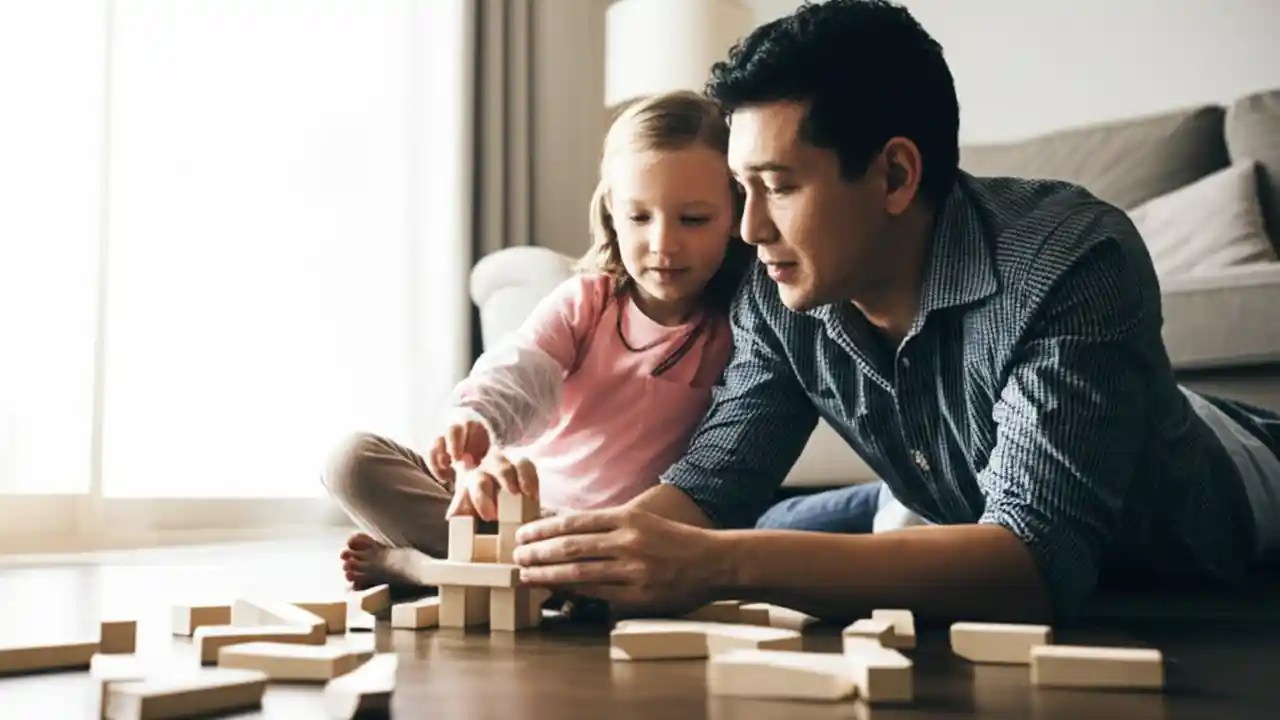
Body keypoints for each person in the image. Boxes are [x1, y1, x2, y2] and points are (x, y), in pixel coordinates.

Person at [510, 0, 1280, 623]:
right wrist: (598, 555)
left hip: (1214, 518)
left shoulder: (1070, 259)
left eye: (777, 185)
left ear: (896, 175)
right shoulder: (782, 291)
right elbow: (713, 484)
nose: (749, 230)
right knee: (775, 536)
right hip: (956, 497)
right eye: (741, 190)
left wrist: (713, 563)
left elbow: (1036, 563)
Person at [322, 91, 751, 589]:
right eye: (640, 217)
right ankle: (505, 571)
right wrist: (474, 419)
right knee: (352, 462)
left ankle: (425, 568)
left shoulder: (738, 330)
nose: (663, 244)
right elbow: (517, 371)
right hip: (514, 517)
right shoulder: (587, 302)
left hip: (615, 540)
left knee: (624, 567)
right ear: (612, 211)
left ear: (735, 216)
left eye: (693, 220)